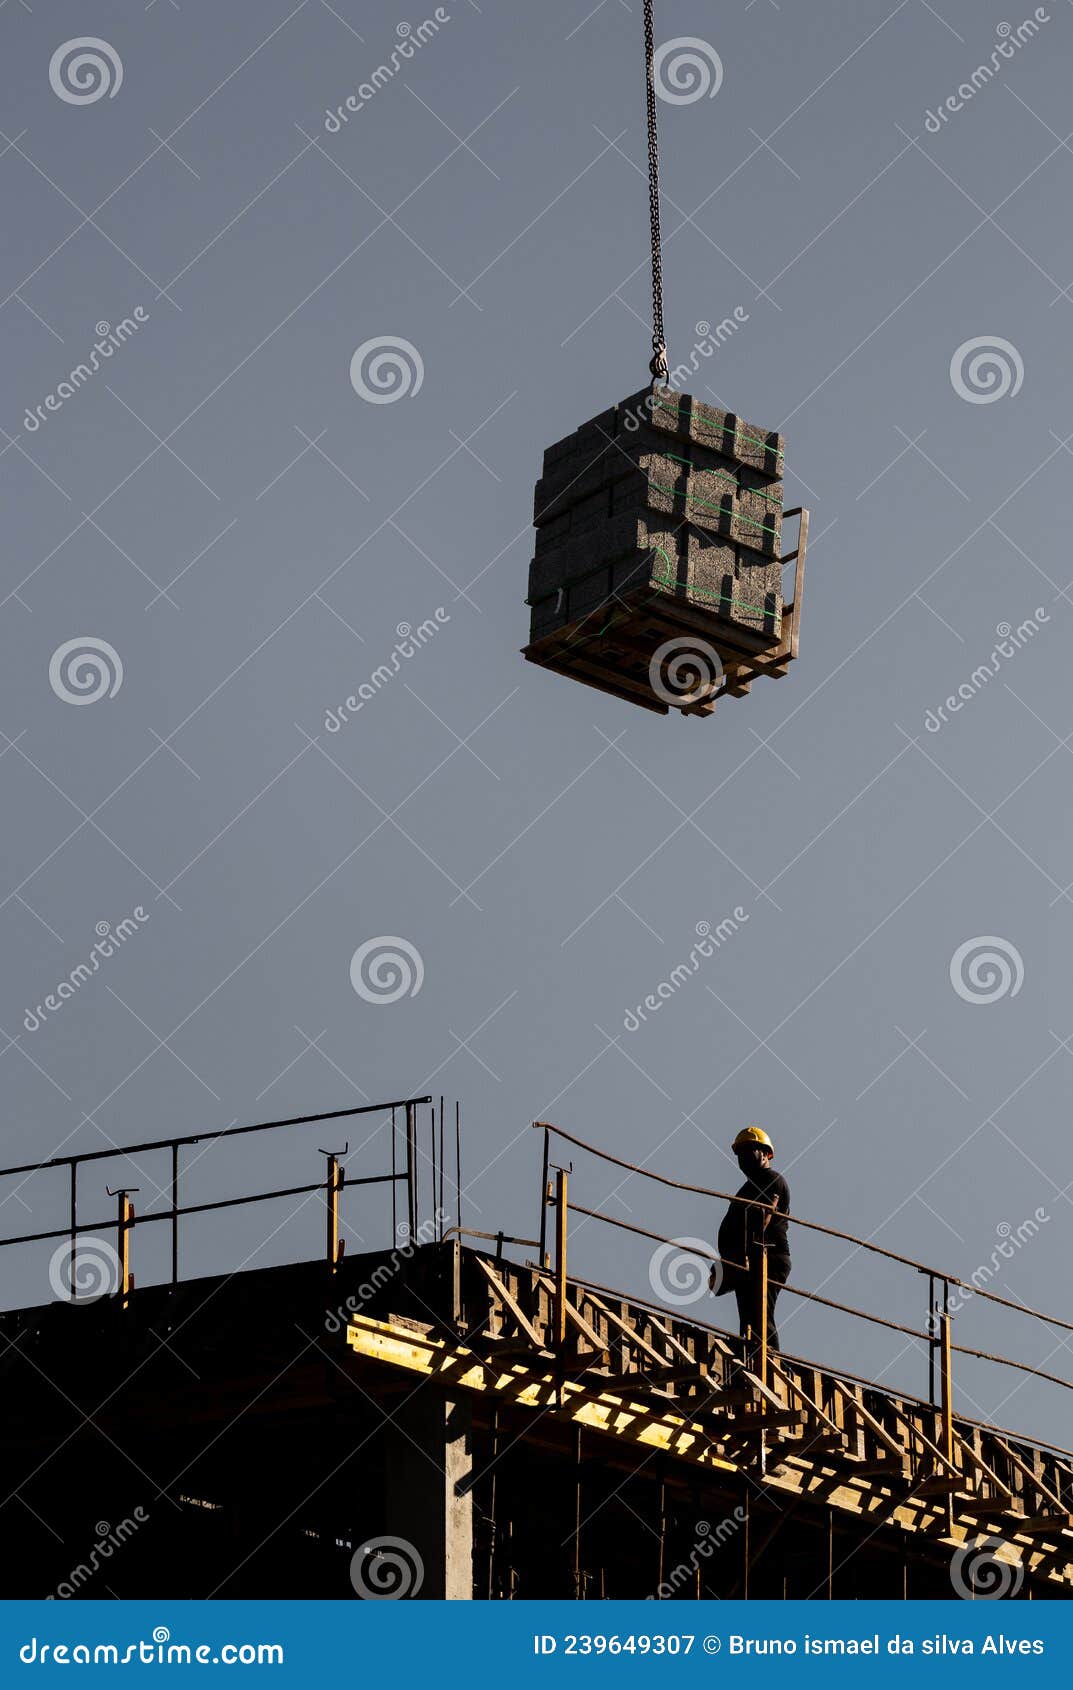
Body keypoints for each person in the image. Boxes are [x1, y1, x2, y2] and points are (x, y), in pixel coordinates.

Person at [710, 1126, 791, 1352]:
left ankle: (770, 1360)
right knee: (748, 1317)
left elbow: (762, 1217)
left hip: (767, 1257)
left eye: (748, 1150)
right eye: (740, 1153)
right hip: (745, 1259)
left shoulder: (772, 1179)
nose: (743, 1157)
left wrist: (742, 1255)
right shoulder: (747, 1188)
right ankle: (750, 1355)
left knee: (760, 1313)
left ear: (765, 1153)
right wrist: (726, 1263)